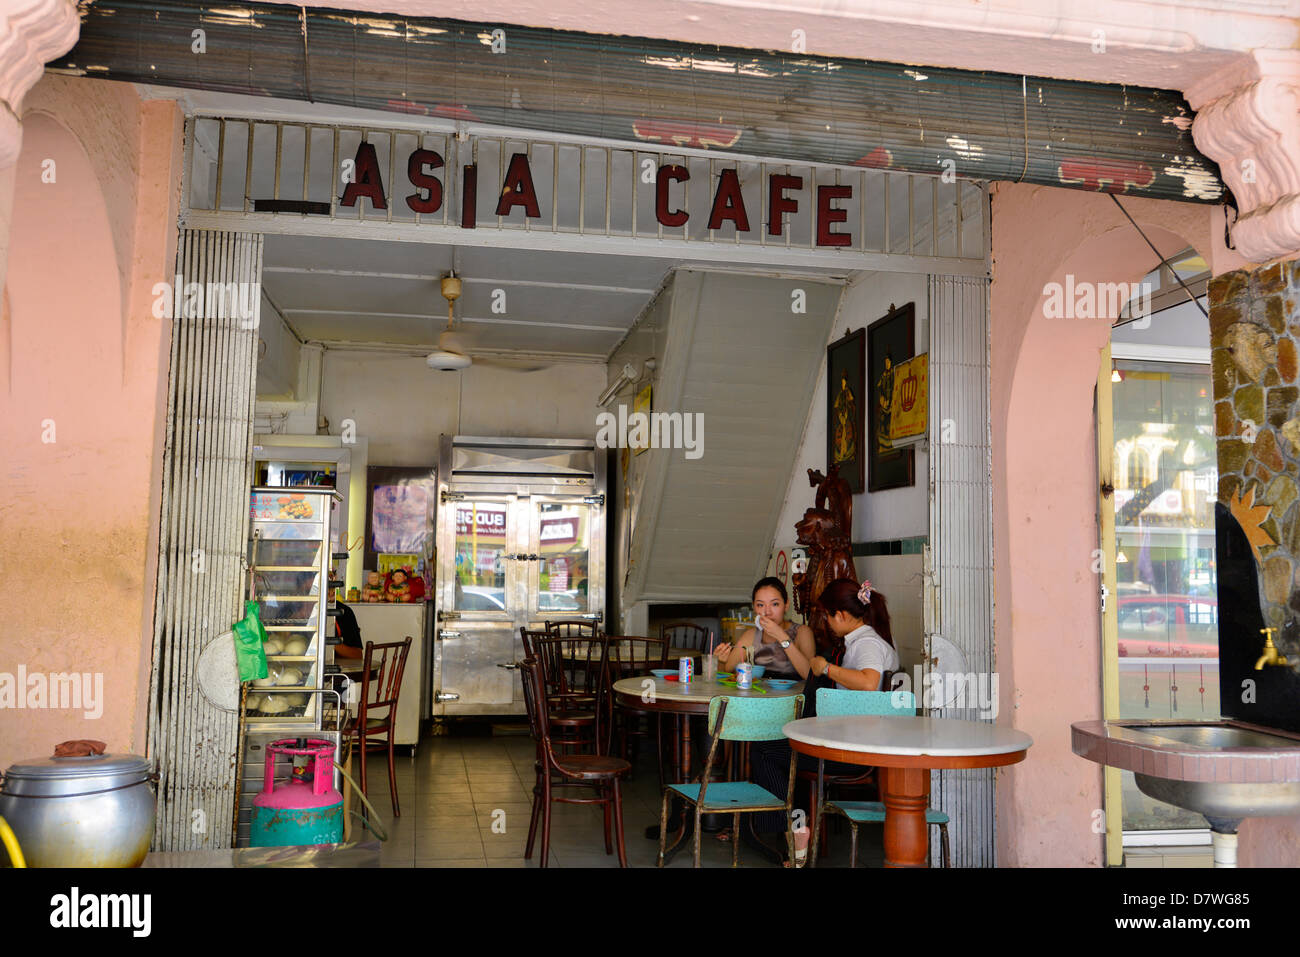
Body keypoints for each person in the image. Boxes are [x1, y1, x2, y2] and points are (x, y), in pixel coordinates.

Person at [747, 577, 899, 860]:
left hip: (850, 751)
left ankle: (793, 826)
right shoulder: (868, 638)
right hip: (852, 741)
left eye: (828, 616)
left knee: (763, 749)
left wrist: (825, 668)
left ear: (840, 615)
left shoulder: (866, 643)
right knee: (786, 749)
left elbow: (869, 682)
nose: (827, 623)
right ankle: (792, 828)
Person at [712, 577, 816, 678]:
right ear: (754, 608)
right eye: (760, 605)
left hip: (795, 695)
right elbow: (726, 671)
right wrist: (721, 661)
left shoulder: (802, 632)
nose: (767, 612)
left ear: (786, 605)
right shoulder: (751, 635)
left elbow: (810, 676)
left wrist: (781, 635)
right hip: (758, 694)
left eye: (775, 604)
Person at [332, 588, 364, 660]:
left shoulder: (344, 612)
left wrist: (329, 643)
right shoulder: (302, 607)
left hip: (336, 669)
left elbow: (358, 655)